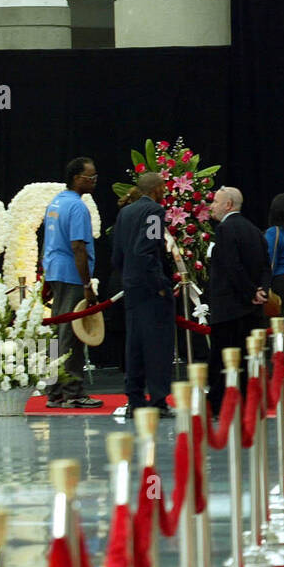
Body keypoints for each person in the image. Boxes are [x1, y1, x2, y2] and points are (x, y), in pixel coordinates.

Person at [110, 171, 176, 418]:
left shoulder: (125, 212)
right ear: (157, 189)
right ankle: (158, 400)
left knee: (134, 344)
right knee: (157, 345)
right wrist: (160, 283)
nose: (165, 192)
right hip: (151, 289)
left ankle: (135, 399)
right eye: (163, 188)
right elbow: (146, 250)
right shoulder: (155, 213)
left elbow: (117, 254)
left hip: (131, 286)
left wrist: (130, 277)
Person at [43, 157, 103, 409]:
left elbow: (46, 240)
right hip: (71, 275)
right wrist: (87, 285)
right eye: (91, 177)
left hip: (55, 271)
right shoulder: (78, 207)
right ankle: (73, 392)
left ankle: (55, 391)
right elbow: (78, 247)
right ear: (78, 178)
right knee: (71, 335)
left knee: (58, 333)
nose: (94, 181)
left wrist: (46, 277)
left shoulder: (56, 202)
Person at [206, 187, 270, 417]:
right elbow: (265, 265)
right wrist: (261, 290)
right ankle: (247, 401)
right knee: (247, 359)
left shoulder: (225, 230)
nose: (211, 206)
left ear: (228, 205)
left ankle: (220, 404)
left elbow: (232, 266)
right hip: (251, 310)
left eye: (215, 201)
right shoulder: (254, 230)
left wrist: (250, 292)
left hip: (229, 308)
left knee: (224, 360)